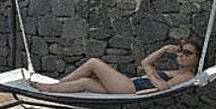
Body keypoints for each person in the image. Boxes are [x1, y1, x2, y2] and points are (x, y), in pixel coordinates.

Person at [32, 41, 201, 94]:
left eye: (187, 53)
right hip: (131, 84)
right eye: (180, 51)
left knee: (93, 63)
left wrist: (149, 72)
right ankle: (51, 88)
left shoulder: (187, 76)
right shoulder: (177, 71)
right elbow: (147, 62)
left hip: (131, 88)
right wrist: (163, 50)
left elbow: (162, 87)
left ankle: (56, 83)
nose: (181, 55)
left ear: (197, 58)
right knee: (85, 82)